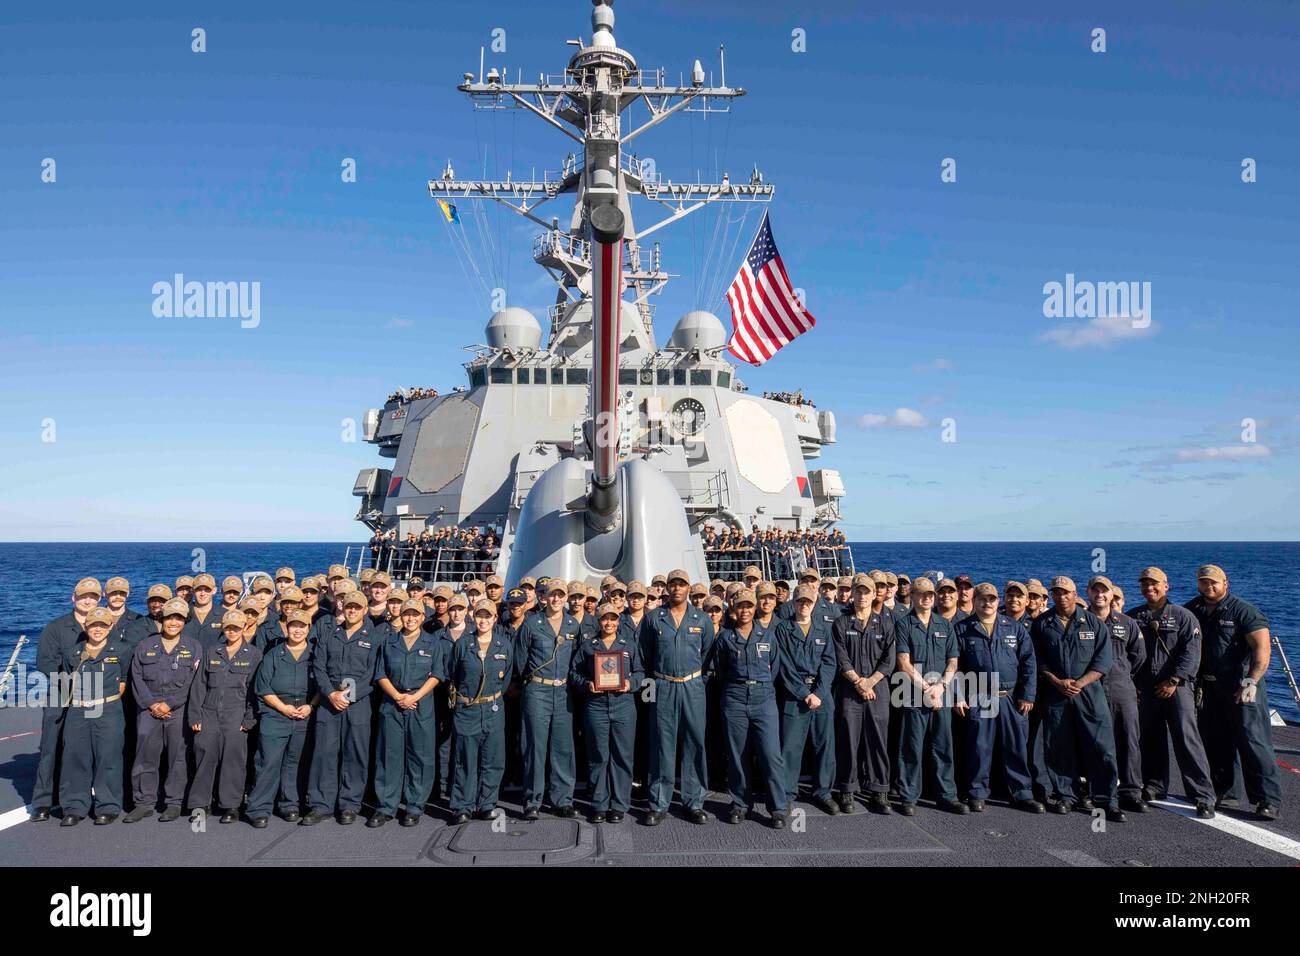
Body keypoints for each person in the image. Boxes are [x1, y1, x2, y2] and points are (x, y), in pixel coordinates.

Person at [1184, 565, 1281, 820]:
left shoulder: (1244, 611)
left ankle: (1267, 800)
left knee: (1253, 741)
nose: (1209, 587)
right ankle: (1225, 791)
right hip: (1209, 686)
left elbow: (1262, 650)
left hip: (1242, 685)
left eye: (1214, 582)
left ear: (1225, 583)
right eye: (1204, 583)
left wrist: (1251, 680)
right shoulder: (1192, 610)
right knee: (1215, 740)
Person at [1030, 577, 1125, 821]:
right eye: (1057, 593)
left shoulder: (1092, 623)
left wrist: (1080, 683)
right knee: (1059, 746)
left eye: (1066, 593)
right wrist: (1056, 681)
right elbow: (1037, 660)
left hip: (1089, 694)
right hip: (1055, 693)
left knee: (1101, 746)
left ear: (1075, 594)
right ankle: (1066, 795)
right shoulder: (1042, 624)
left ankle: (1106, 799)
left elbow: (1103, 661)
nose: (1061, 597)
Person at [1130, 567, 1216, 818]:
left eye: (1154, 584)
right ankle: (1155, 785)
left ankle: (1202, 796)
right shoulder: (1134, 617)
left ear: (1166, 586)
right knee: (1150, 739)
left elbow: (1192, 654)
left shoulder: (1183, 616)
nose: (1149, 588)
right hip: (1146, 688)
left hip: (1177, 688)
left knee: (1187, 740)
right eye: (1145, 584)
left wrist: (1174, 680)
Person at [953, 584, 1043, 813]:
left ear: (998, 600)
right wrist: (958, 696)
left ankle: (1022, 793)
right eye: (983, 599)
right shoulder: (963, 629)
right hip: (980, 696)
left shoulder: (1014, 627)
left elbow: (1029, 663)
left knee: (1016, 748)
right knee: (979, 748)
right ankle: (977, 793)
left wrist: (1028, 694)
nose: (988, 603)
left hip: (1011, 698)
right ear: (976, 601)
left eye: (992, 599)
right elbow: (955, 667)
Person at [639, 569, 716, 826]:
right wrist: (655, 685)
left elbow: (707, 657)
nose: (677, 589)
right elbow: (645, 656)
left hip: (692, 687)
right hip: (663, 686)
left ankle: (694, 802)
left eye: (681, 584)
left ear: (688, 588)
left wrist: (697, 682)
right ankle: (659, 802)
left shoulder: (702, 619)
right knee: (662, 744)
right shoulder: (653, 619)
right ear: (667, 588)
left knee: (694, 743)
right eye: (672, 584)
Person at [303, 590, 385, 826]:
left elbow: (373, 673)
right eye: (349, 606)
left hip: (358, 703)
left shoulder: (374, 637)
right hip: (329, 702)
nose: (352, 610)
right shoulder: (330, 634)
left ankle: (349, 804)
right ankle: (321, 805)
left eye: (357, 607)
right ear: (343, 607)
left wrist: (349, 695)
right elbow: (318, 666)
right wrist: (331, 693)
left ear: (364, 610)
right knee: (324, 753)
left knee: (355, 754)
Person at [709, 589, 788, 827]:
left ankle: (778, 808)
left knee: (770, 754)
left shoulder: (769, 636)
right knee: (737, 754)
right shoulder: (725, 638)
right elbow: (720, 671)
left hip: (764, 698)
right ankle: (740, 804)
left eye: (749, 606)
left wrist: (758, 685)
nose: (744, 610)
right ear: (734, 608)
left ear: (755, 608)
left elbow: (774, 668)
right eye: (740, 606)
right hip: (734, 697)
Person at [30, 577, 104, 823]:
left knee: (78, 752)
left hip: (91, 699)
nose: (88, 600)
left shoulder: (103, 627)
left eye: (93, 596)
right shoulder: (56, 628)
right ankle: (42, 801)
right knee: (50, 749)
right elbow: (45, 662)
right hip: (60, 696)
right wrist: (72, 682)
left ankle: (72, 800)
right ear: (74, 597)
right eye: (83, 596)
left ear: (99, 599)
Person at [123, 598, 202, 823]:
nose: (173, 622)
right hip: (148, 710)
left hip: (178, 710)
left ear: (185, 621)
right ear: (161, 620)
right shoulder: (145, 646)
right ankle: (144, 802)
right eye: (169, 618)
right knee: (145, 756)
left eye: (178, 618)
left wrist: (170, 704)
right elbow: (136, 677)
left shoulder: (193, 647)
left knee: (177, 757)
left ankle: (174, 802)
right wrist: (151, 704)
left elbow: (193, 682)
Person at [436, 600, 515, 825]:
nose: (483, 620)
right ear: (474, 617)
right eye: (479, 616)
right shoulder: (463, 644)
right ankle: (462, 806)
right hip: (467, 708)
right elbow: (453, 672)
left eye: (487, 616)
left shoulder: (504, 645)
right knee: (465, 760)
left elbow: (506, 677)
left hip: (492, 708)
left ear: (494, 619)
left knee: (492, 759)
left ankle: (487, 804)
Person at [895, 577, 965, 815]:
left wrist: (940, 688)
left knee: (943, 747)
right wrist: (927, 688)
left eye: (930, 595)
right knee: (911, 748)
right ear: (913, 597)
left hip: (940, 694)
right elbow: (904, 662)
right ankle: (908, 797)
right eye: (921, 594)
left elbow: (953, 661)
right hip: (914, 694)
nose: (926, 598)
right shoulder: (904, 624)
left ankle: (947, 796)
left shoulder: (944, 625)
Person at [56, 607, 131, 826]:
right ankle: (74, 806)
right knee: (75, 758)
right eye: (93, 625)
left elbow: (124, 680)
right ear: (86, 627)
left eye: (103, 625)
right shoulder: (73, 652)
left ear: (110, 627)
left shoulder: (122, 651)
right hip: (78, 710)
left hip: (108, 710)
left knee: (108, 758)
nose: (98, 629)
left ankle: (107, 806)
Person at [829, 573, 896, 815]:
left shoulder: (885, 624)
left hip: (878, 690)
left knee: (878, 741)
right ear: (853, 594)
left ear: (873, 594)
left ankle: (880, 790)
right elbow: (841, 658)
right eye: (859, 591)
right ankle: (847, 789)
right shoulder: (841, 623)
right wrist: (859, 682)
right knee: (849, 739)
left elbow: (888, 661)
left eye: (867, 592)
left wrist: (870, 682)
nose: (863, 596)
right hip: (850, 690)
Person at [372, 599, 442, 827]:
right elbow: (380, 674)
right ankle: (386, 806)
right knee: (388, 755)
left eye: (415, 614)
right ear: (400, 616)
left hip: (420, 703)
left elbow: (437, 675)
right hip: (392, 703)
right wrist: (397, 696)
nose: (411, 618)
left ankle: (414, 805)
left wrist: (414, 697)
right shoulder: (389, 642)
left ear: (423, 617)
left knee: (419, 756)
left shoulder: (432, 643)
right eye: (407, 614)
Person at [187, 610, 263, 824]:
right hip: (209, 713)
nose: (232, 631)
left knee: (233, 761)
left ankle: (230, 805)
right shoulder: (213, 652)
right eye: (228, 628)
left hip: (236, 714)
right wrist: (195, 715)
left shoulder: (254, 654)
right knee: (204, 757)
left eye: (236, 628)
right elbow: (199, 686)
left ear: (243, 628)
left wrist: (249, 720)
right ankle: (200, 804)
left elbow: (255, 690)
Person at [570, 603, 643, 822]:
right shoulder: (588, 646)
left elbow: (640, 672)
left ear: (618, 620)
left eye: (613, 618)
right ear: (599, 621)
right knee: (598, 756)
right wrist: (587, 684)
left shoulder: (628, 645)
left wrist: (630, 684)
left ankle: (619, 805)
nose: (608, 623)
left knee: (622, 756)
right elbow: (574, 673)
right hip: (596, 705)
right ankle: (600, 804)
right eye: (604, 619)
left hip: (623, 705)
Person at [515, 580, 581, 820]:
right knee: (535, 746)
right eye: (552, 595)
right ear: (544, 597)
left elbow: (577, 659)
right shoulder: (532, 624)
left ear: (566, 598)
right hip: (537, 691)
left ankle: (562, 799)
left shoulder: (573, 624)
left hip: (563, 692)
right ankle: (532, 800)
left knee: (563, 748)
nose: (555, 599)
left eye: (560, 595)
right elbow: (520, 659)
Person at [246, 609, 318, 827]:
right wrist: (282, 708)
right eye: (293, 625)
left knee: (294, 761)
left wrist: (310, 706)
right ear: (287, 628)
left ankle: (289, 804)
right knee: (268, 761)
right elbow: (263, 687)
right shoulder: (273, 654)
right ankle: (259, 807)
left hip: (304, 712)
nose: (297, 630)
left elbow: (322, 685)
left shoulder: (315, 655)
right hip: (276, 713)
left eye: (302, 626)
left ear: (308, 629)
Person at [775, 583, 838, 816]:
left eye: (808, 602)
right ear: (794, 602)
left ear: (814, 604)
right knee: (791, 747)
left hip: (821, 696)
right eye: (800, 601)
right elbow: (784, 665)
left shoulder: (823, 630)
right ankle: (787, 793)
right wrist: (804, 693)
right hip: (795, 695)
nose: (804, 605)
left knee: (825, 746)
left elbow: (830, 663)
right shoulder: (783, 629)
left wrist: (819, 693)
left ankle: (823, 792)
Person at [1087, 575, 1148, 813]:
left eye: (1105, 591)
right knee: (1096, 740)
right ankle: (1099, 790)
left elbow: (1138, 656)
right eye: (1095, 590)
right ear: (1088, 592)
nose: (1100, 595)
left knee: (1129, 737)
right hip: (1091, 686)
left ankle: (1131, 790)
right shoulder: (1082, 622)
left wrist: (1121, 674)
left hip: (1121, 685)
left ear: (1112, 595)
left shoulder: (1127, 623)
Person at [183, 573, 226, 650]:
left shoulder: (225, 615)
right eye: (199, 589)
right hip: (187, 660)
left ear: (214, 590)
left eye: (207, 590)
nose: (203, 594)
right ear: (193, 591)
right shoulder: (183, 613)